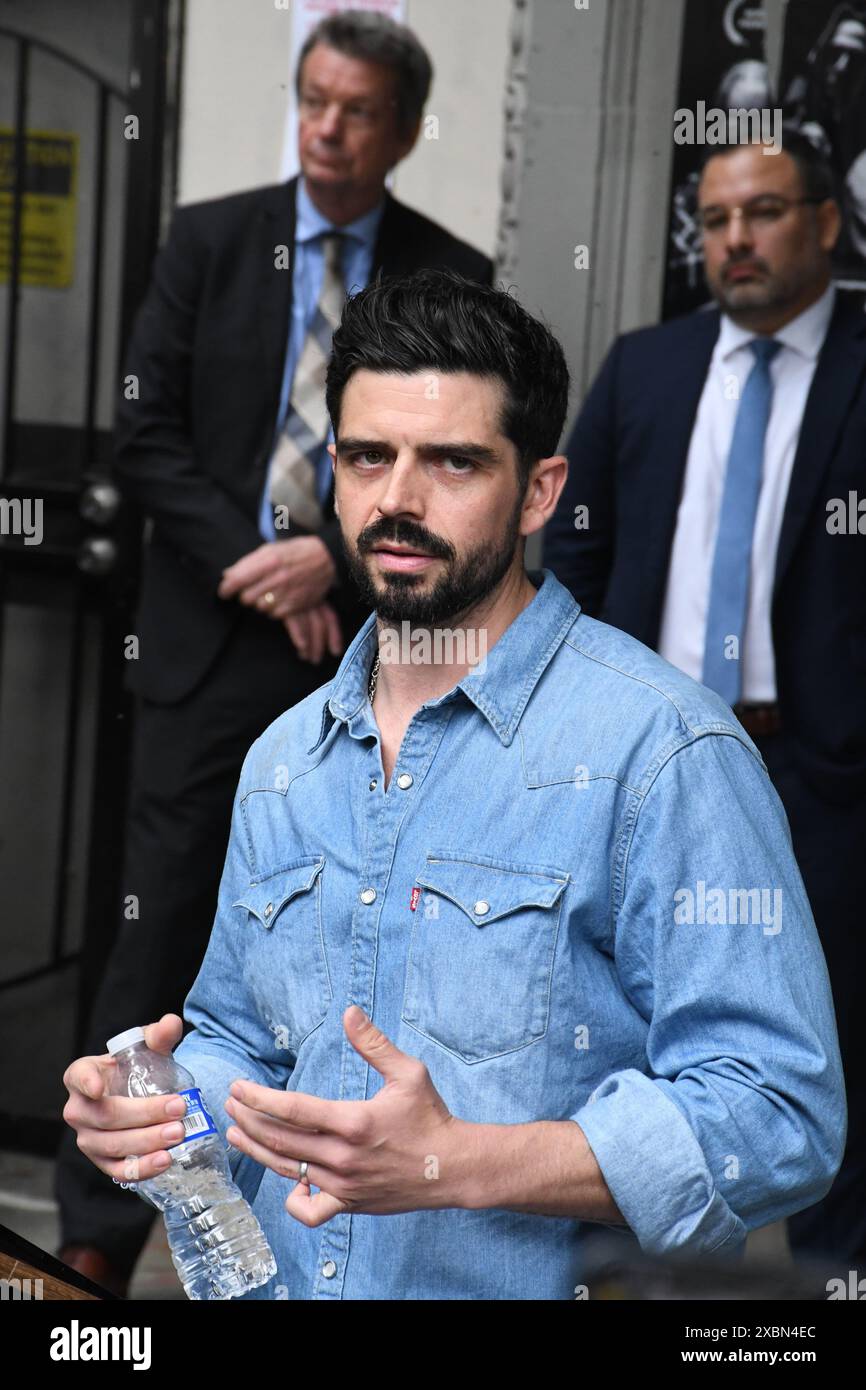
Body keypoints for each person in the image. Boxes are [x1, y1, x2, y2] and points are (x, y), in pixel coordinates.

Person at [61, 268, 845, 1301]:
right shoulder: (283, 759)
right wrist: (161, 1105)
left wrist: (455, 1160)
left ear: (539, 490)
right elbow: (244, 1042)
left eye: (453, 462)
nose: (398, 499)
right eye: (367, 456)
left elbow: (777, 1113)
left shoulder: (662, 750)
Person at [55, 10, 492, 1297]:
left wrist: (336, 560)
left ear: (405, 129)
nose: (328, 127)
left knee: (348, 950)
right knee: (157, 946)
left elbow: (458, 459)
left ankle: (295, 1228)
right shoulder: (206, 238)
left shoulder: (446, 270)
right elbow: (145, 439)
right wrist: (263, 562)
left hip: (366, 662)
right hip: (206, 650)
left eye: (358, 110)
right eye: (313, 99)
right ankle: (97, 1226)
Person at [543, 129, 865, 1273]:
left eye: (763, 212)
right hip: (654, 762)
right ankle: (594, 1273)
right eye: (716, 218)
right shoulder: (647, 365)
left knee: (830, 1036)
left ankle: (833, 1279)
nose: (734, 239)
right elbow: (569, 552)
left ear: (824, 221)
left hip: (818, 773)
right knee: (615, 1016)